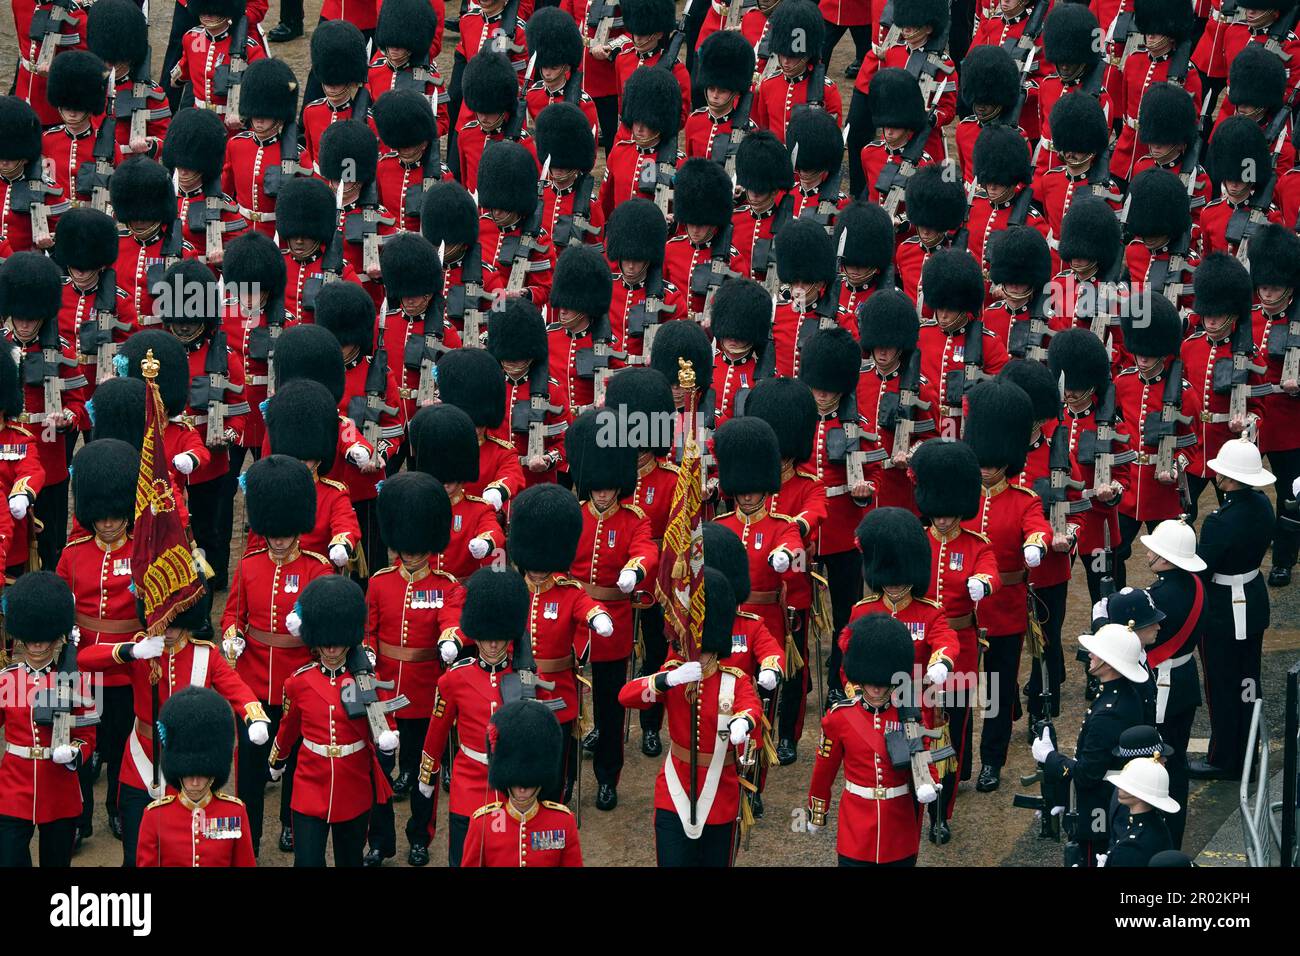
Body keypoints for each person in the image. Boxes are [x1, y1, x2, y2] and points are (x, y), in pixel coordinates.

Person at [223, 454, 333, 856]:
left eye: (288, 532)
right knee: (250, 769)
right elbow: (233, 613)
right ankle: (247, 833)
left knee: (296, 763)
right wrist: (232, 636)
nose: (281, 539)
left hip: (297, 679)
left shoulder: (316, 570)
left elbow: (325, 628)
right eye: (275, 532)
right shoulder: (250, 564)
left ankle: (290, 822)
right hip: (252, 680)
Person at [619, 568, 761, 866]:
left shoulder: (733, 680)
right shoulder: (675, 675)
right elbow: (626, 696)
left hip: (720, 792)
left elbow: (750, 707)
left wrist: (742, 722)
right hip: (674, 790)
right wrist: (667, 680)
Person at [364, 471, 463, 867]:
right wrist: (368, 654)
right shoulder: (379, 582)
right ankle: (381, 840)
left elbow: (450, 619)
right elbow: (368, 630)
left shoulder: (446, 584)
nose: (410, 552)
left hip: (424, 693)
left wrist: (450, 640)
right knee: (379, 774)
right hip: (384, 692)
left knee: (426, 772)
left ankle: (420, 835)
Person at [564, 408, 659, 811]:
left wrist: (634, 571)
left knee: (609, 703)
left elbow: (646, 549)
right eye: (596, 488)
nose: (602, 494)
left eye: (608, 488)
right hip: (573, 617)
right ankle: (563, 779)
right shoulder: (574, 515)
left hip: (615, 620)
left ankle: (607, 776)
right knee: (566, 703)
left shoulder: (633, 518)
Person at [271, 575, 398, 868]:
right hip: (309, 785)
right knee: (308, 862)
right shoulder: (299, 682)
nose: (331, 649)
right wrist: (277, 761)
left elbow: (383, 725)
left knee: (349, 861)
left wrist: (388, 737)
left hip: (352, 785)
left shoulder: (365, 681)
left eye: (337, 642)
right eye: (325, 642)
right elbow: (288, 728)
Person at [963, 379, 1051, 791]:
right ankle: (959, 760)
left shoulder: (1023, 497)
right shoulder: (961, 495)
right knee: (958, 691)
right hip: (962, 610)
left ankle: (991, 760)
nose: (984, 468)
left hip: (1006, 609)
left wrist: (1037, 545)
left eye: (993, 462)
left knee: (995, 691)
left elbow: (1037, 528)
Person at [909, 439, 999, 829]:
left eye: (949, 515)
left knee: (955, 726)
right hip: (919, 648)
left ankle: (941, 814)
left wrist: (982, 583)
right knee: (918, 724)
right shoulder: (917, 541)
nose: (942, 521)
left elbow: (990, 570)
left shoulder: (975, 544)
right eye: (937, 514)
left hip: (959, 649)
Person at [507, 484, 614, 802]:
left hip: (557, 689)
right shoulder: (514, 589)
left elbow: (586, 606)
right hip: (516, 686)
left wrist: (598, 617)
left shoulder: (568, 590)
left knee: (558, 755)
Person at [417, 569, 530, 866]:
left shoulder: (526, 677)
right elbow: (437, 732)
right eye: (486, 638)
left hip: (511, 785)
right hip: (469, 781)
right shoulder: (455, 679)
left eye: (499, 638)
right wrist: (428, 774)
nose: (493, 645)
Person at [807, 613, 938, 866]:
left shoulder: (908, 714)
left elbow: (922, 755)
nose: (876, 689)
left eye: (882, 683)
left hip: (898, 825)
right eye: (871, 682)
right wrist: (817, 812)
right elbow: (824, 771)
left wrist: (928, 782)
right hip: (856, 827)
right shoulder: (840, 717)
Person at [59, 439, 139, 845]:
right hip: (84, 669)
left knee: (125, 748)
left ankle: (119, 809)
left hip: (127, 670)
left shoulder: (142, 551)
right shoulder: (74, 553)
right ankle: (80, 819)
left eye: (115, 517)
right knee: (80, 750)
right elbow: (58, 600)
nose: (107, 524)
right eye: (101, 518)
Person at [1190, 439, 1275, 780]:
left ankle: (1224, 758)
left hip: (1223, 610)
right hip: (1252, 601)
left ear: (1228, 479)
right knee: (1248, 683)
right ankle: (1248, 754)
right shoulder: (1262, 505)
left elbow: (1203, 568)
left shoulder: (1219, 521)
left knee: (1222, 687)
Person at [0, 573, 94, 868]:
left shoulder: (75, 679)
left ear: (57, 637)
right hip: (14, 789)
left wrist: (74, 752)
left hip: (59, 789)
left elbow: (88, 734)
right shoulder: (6, 680)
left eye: (45, 639)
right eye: (31, 639)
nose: (38, 646)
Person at [1035, 622, 1148, 866]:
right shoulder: (1119, 696)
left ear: (1109, 663)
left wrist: (1051, 758)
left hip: (1099, 804)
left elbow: (1088, 773)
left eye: (1097, 652)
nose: (1090, 656)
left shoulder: (1108, 712)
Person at [1134, 519, 1207, 847]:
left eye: (1154, 550)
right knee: (1176, 764)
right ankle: (1173, 835)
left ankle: (1159, 839)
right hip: (1186, 678)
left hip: (1163, 684)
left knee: (1157, 764)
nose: (1148, 553)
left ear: (1165, 559)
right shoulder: (1195, 584)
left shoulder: (1156, 596)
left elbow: (1138, 643)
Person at [137, 687, 256, 867]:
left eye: (201, 775)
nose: (194, 782)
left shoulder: (234, 813)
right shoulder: (155, 816)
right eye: (188, 774)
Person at [461, 701, 584, 867]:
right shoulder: (482, 824)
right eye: (516, 780)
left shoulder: (563, 822)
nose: (522, 787)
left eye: (530, 781)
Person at [1103, 757, 1179, 867]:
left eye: (1126, 784)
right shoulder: (1155, 822)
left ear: (1140, 794)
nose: (1119, 787)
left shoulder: (1131, 848)